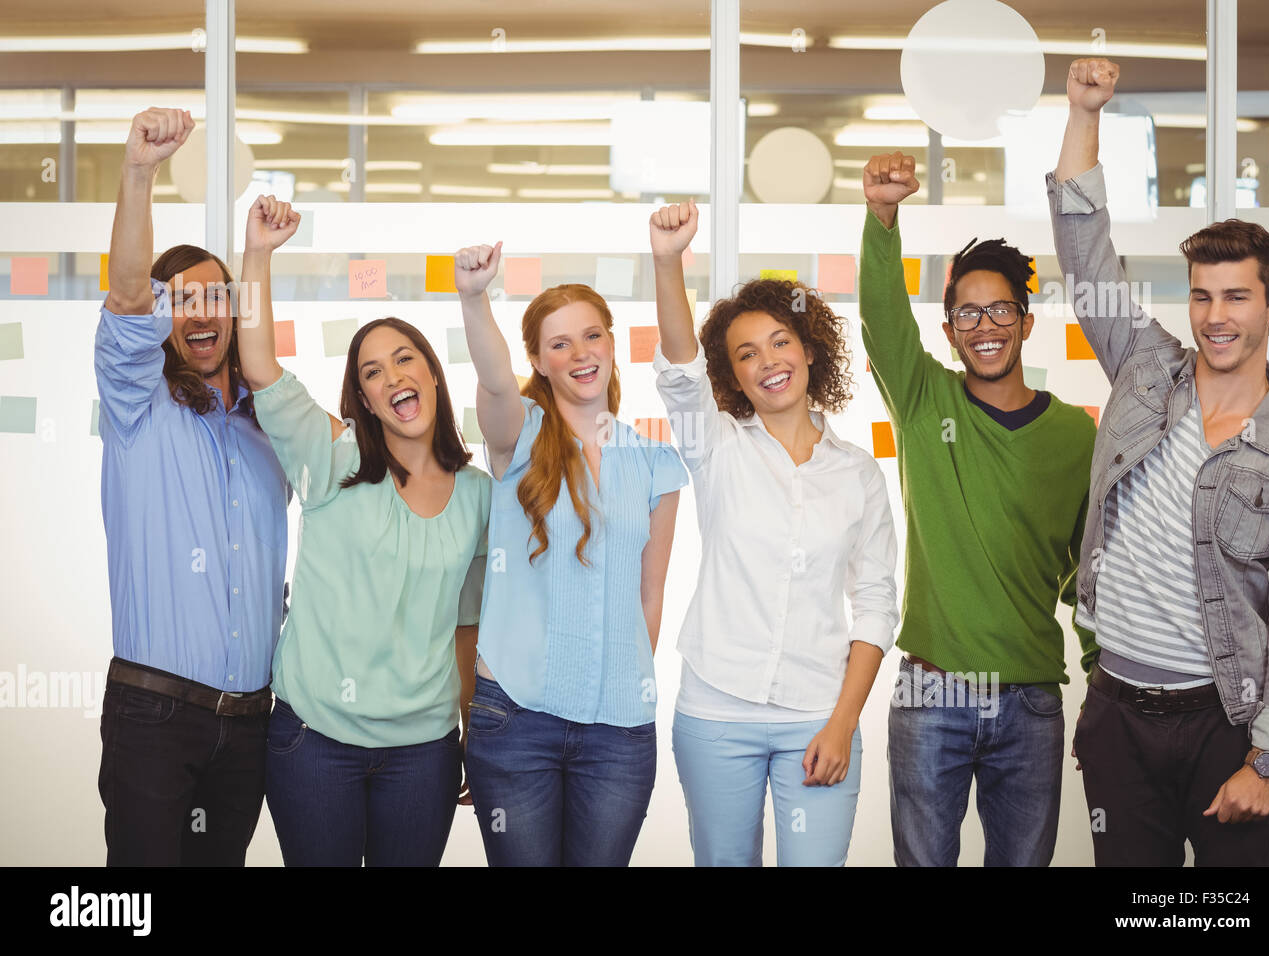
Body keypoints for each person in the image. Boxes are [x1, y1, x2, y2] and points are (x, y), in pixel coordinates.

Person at [1050, 57, 1269, 866]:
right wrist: (1084, 112)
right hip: (1117, 712)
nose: (1215, 317)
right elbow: (1087, 259)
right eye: (1201, 295)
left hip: (1223, 725)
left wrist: (1267, 761)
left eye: (1235, 297)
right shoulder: (1144, 368)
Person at [859, 152, 1099, 866]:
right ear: (949, 327)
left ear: (1026, 324)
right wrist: (881, 219)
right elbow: (879, 316)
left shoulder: (1075, 434)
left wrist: (1106, 683)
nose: (985, 325)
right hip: (932, 691)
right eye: (968, 312)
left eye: (1000, 311)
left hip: (1031, 701)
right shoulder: (924, 399)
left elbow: (1089, 571)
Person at [237, 198, 491, 866]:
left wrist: (469, 728)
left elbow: (466, 626)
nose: (391, 377)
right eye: (371, 372)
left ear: (432, 375)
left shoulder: (478, 497)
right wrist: (259, 252)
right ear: (366, 399)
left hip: (423, 751)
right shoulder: (334, 458)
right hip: (314, 741)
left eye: (404, 360)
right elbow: (259, 363)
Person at [649, 200, 899, 866]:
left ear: (811, 349)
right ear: (731, 377)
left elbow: (876, 605)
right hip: (716, 712)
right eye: (746, 355)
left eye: (781, 342)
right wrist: (668, 261)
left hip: (818, 716)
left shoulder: (858, 476)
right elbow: (678, 373)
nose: (768, 362)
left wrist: (843, 723)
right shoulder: (716, 448)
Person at [94, 109, 291, 866]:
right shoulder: (137, 404)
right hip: (155, 715)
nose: (200, 310)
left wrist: (258, 257)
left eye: (216, 296)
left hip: (247, 724)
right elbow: (125, 298)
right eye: (179, 299)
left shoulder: (266, 425)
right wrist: (140, 172)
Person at [454, 241, 687, 866]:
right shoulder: (518, 434)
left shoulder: (655, 462)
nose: (581, 354)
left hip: (618, 729)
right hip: (516, 718)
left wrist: (631, 685)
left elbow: (650, 591)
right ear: (539, 358)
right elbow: (494, 379)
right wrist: (474, 299)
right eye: (560, 344)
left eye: (592, 337)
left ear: (612, 343)